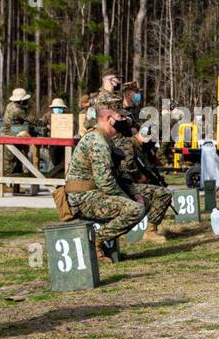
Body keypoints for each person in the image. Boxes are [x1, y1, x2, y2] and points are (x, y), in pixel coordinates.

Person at [64, 107, 170, 258]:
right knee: (134, 209)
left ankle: (108, 246)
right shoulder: (97, 141)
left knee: (142, 202)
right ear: (110, 120)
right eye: (120, 116)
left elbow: (119, 175)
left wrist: (134, 193)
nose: (124, 120)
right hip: (82, 197)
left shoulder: (106, 139)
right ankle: (96, 242)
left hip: (94, 192)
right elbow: (106, 182)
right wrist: (128, 198)